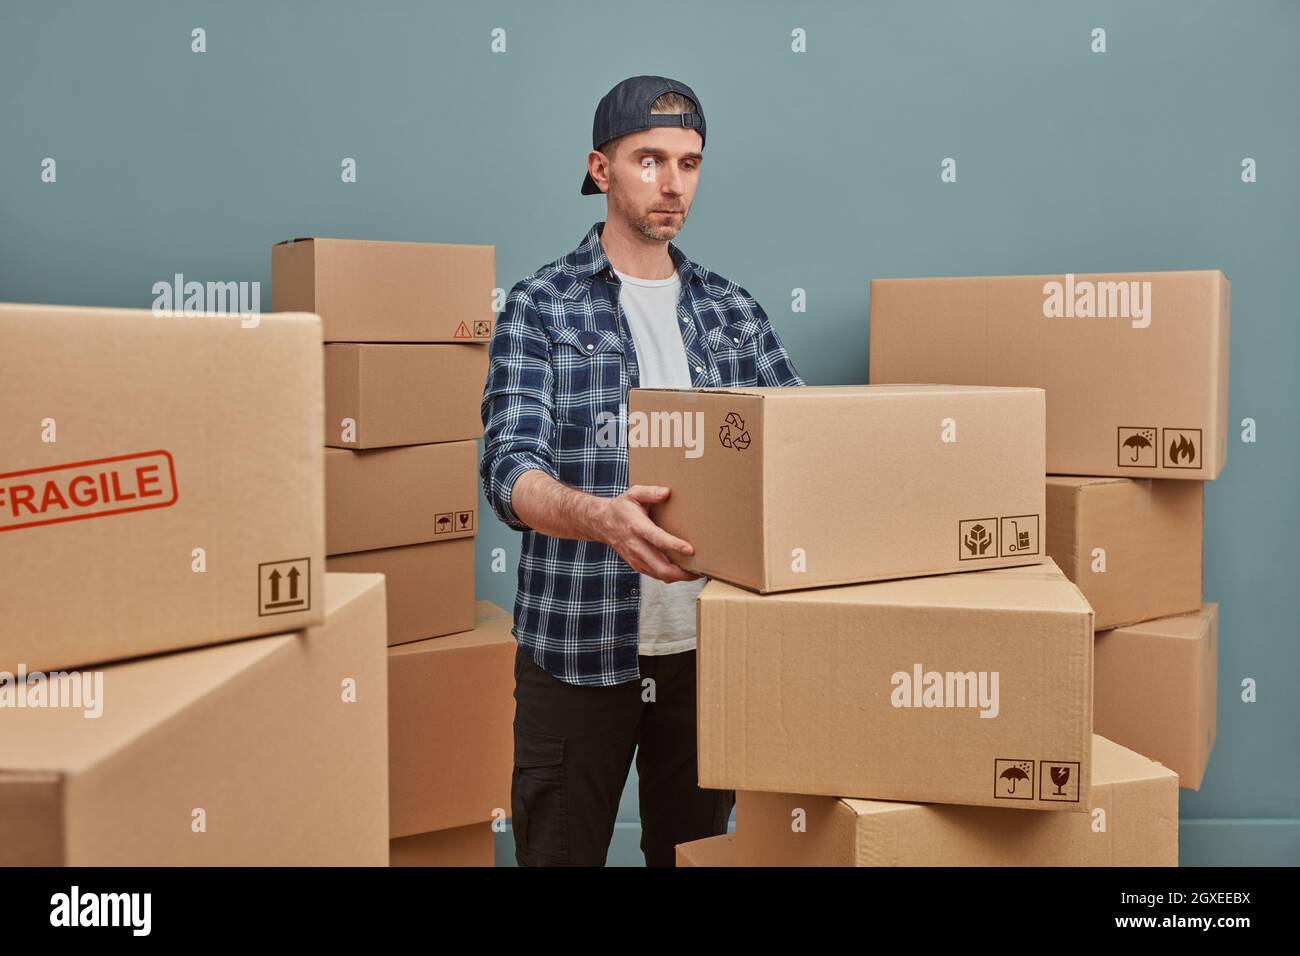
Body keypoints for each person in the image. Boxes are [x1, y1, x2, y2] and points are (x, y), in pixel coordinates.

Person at [479, 75, 804, 867]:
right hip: (575, 648)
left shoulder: (734, 310)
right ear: (601, 169)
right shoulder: (541, 306)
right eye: (649, 159)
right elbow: (508, 468)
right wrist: (600, 518)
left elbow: (799, 446)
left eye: (689, 163)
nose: (672, 183)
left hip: (707, 656)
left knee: (691, 858)